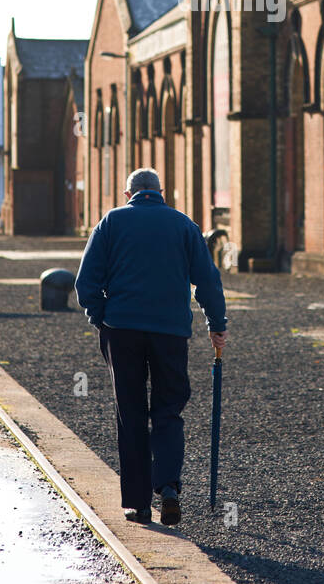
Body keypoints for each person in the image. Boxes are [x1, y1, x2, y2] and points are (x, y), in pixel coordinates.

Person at [75, 167, 227, 526]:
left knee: (130, 414)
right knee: (169, 409)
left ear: (129, 194)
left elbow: (86, 282)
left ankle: (139, 504)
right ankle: (170, 486)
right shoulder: (185, 226)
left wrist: (101, 318)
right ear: (160, 192)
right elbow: (208, 281)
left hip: (122, 329)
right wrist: (216, 326)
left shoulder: (111, 222)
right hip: (170, 332)